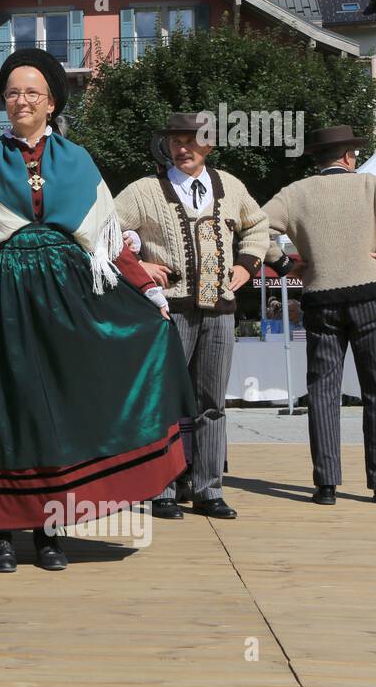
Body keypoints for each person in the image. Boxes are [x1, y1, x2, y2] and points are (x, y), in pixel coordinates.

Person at [0, 48, 195, 573]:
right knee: (2, 410)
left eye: (32, 92)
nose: (21, 101)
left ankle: (49, 531)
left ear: (52, 102)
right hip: (4, 299)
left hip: (66, 299)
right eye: (12, 93)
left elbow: (108, 244)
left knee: (55, 411)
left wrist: (146, 292)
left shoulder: (78, 162)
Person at [263, 125, 376, 506]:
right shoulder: (372, 185)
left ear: (319, 159)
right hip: (370, 296)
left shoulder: (296, 193)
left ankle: (325, 486)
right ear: (348, 157)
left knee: (323, 392)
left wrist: (286, 263)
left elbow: (255, 226)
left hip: (321, 298)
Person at [115, 112, 270, 520]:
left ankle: (208, 489)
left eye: (193, 141)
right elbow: (105, 232)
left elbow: (259, 224)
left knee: (212, 402)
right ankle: (161, 487)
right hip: (167, 312)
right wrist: (139, 265)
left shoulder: (231, 186)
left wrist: (248, 264)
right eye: (176, 141)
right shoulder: (143, 191)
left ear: (209, 145)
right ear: (165, 146)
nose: (184, 148)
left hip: (220, 310)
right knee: (165, 401)